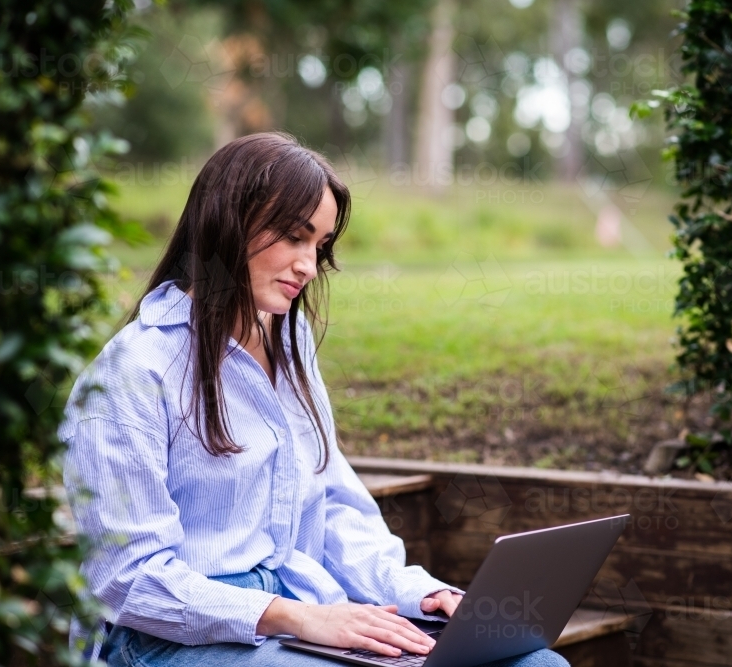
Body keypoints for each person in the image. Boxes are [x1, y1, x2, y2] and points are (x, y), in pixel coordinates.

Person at [60, 132, 568, 667]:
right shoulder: (133, 371)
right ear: (228, 222)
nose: (308, 264)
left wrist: (418, 593)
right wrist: (297, 617)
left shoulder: (289, 343)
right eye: (294, 236)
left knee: (535, 664)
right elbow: (128, 578)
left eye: (319, 246)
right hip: (166, 637)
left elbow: (332, 506)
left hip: (297, 610)